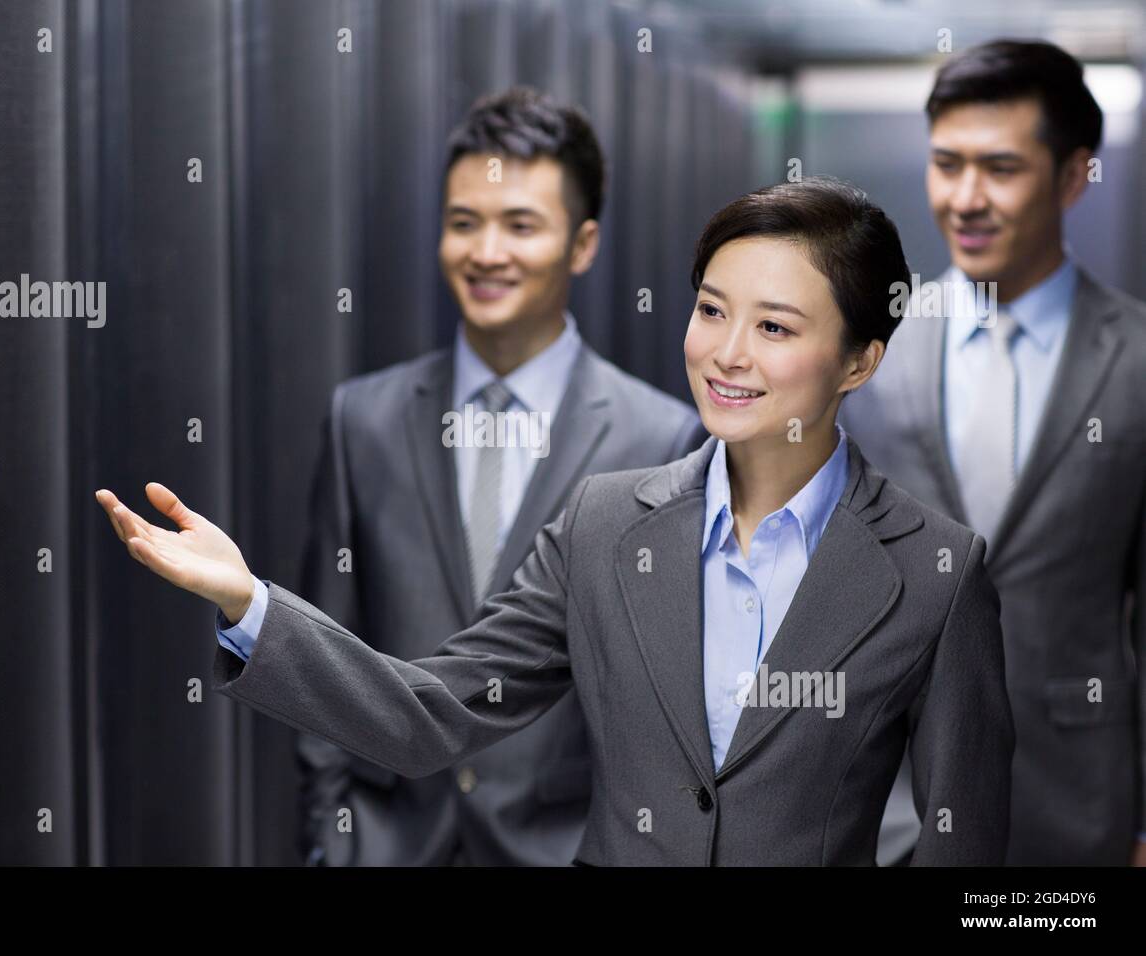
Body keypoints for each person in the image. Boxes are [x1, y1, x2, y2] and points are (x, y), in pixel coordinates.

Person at [96, 176, 1014, 865]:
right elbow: (430, 715)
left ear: (859, 360)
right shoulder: (605, 525)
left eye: (775, 328)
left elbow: (960, 844)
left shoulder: (935, 571)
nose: (726, 354)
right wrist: (250, 601)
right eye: (709, 311)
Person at [262, 87, 702, 866]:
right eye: (464, 222)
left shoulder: (661, 435)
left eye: (521, 225)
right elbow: (327, 644)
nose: (486, 251)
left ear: (583, 243)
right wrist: (330, 843)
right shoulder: (362, 419)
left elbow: (659, 706)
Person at [839, 39, 1146, 866]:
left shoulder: (1138, 361)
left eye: (1001, 168)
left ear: (1076, 175)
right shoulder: (872, 351)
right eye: (947, 164)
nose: (966, 199)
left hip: (1080, 805)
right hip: (890, 803)